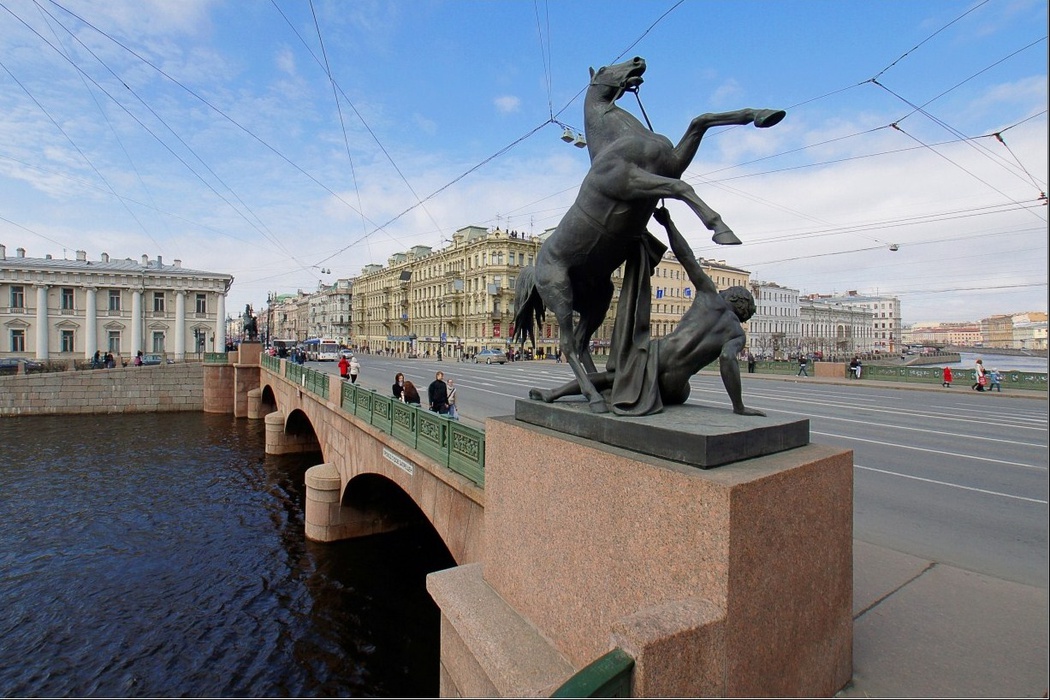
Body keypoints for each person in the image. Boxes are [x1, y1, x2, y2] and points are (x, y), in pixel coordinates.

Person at [530, 207, 764, 417]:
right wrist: (739, 406)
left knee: (610, 378)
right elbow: (727, 359)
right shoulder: (737, 334)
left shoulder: (709, 296)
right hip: (675, 386)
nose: (723, 290)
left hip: (657, 357)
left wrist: (668, 224)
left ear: (733, 297)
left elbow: (686, 256)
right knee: (683, 391)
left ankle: (554, 393)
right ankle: (630, 392)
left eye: (727, 290)